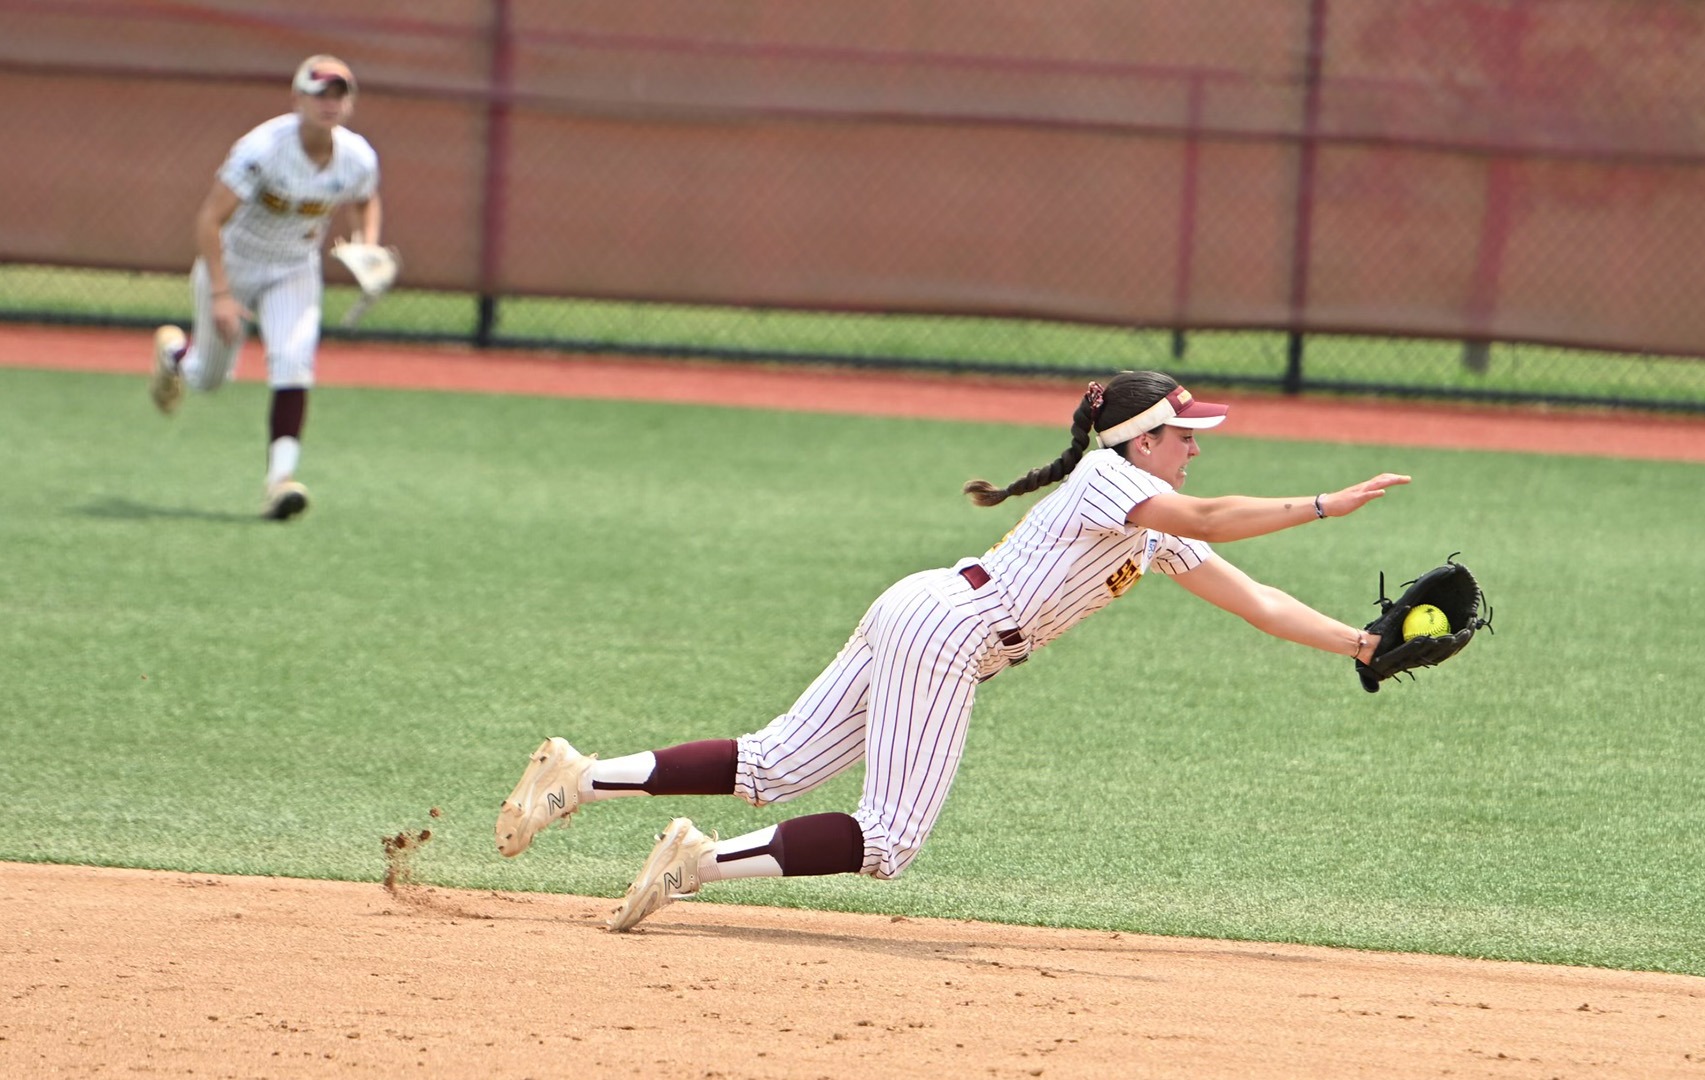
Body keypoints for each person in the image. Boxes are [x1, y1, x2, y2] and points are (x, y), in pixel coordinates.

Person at [495, 371, 1411, 931]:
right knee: (887, 840)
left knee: (776, 763)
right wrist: (1326, 503)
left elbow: (1255, 600)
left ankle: (576, 778)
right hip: (950, 631)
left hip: (926, 610)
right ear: (1141, 440)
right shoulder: (1108, 478)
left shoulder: (1146, 526)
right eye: (1184, 435)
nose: (1194, 449)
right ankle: (694, 863)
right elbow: (1210, 517)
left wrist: (1359, 643)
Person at [147, 54, 384, 521]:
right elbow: (210, 220)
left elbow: (365, 198)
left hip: (294, 266)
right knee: (209, 378)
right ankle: (176, 355)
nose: (329, 103)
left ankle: (280, 482)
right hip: (234, 262)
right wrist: (221, 294)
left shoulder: (356, 156)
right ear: (297, 99)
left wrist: (368, 247)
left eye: (339, 94)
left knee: (294, 360)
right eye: (319, 93)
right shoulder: (262, 149)